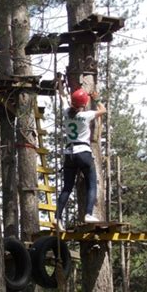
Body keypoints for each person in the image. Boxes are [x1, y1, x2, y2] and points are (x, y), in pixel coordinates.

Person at [55, 88, 107, 230]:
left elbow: (62, 97)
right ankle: (88, 214)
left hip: (69, 153)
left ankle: (57, 217)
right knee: (91, 184)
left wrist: (60, 85)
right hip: (83, 152)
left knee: (67, 187)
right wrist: (96, 99)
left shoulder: (66, 112)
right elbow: (103, 110)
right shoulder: (86, 116)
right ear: (84, 104)